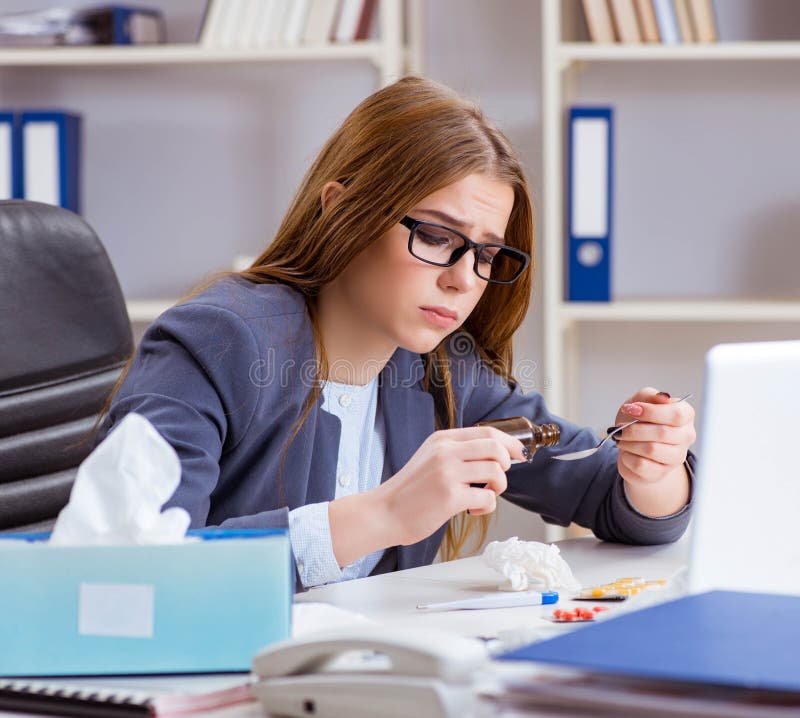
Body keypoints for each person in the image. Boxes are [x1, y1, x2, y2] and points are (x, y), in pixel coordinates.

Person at [102, 77, 696, 590]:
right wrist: (382, 513)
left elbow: (615, 502)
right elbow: (134, 572)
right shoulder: (218, 341)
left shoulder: (444, 370)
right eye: (437, 237)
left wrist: (655, 470)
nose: (465, 279)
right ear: (341, 211)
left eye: (488, 255)